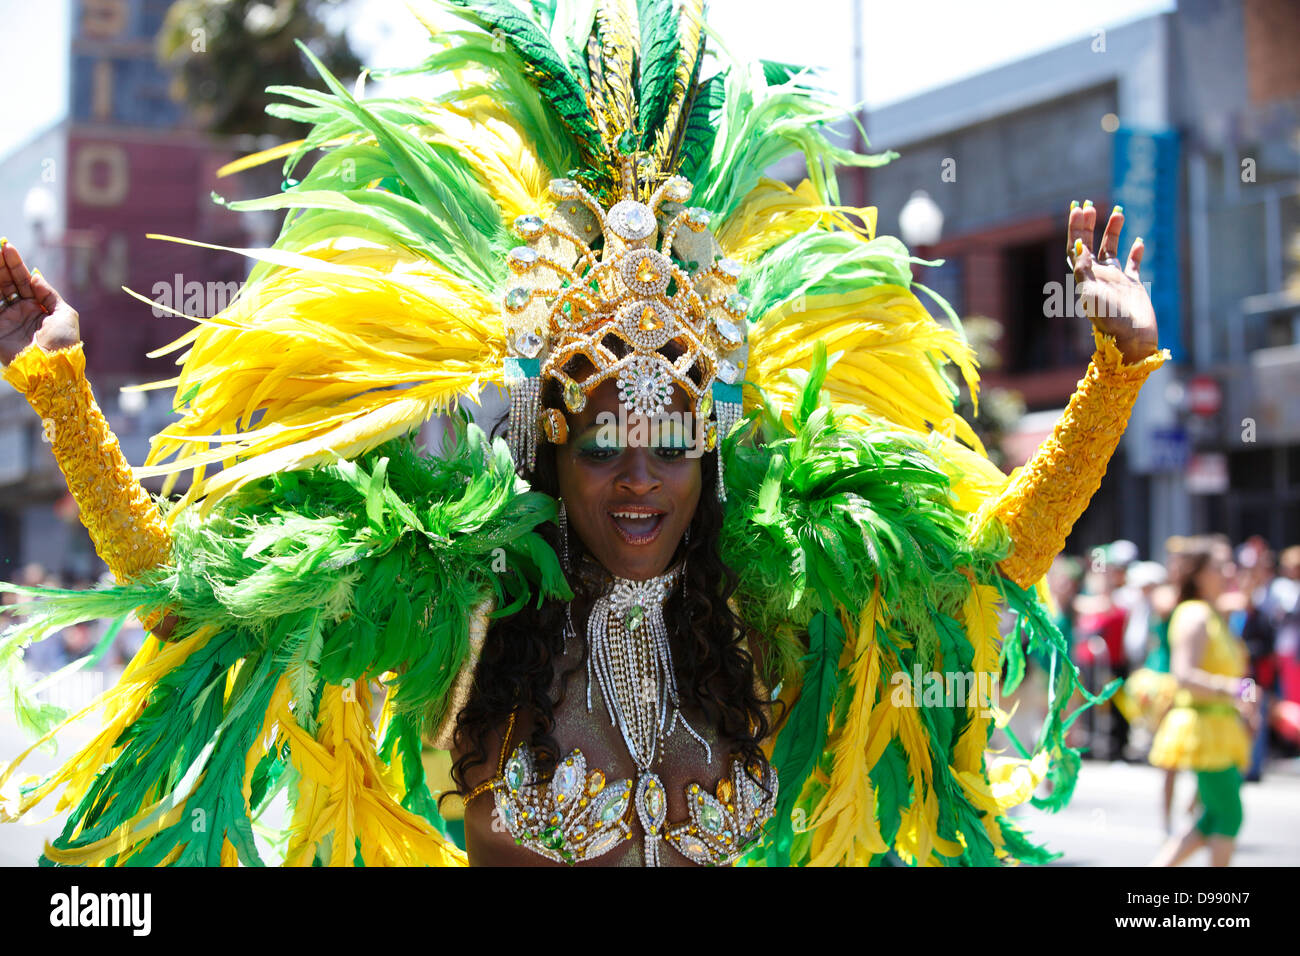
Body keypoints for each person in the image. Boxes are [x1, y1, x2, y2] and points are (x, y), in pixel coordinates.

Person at [0, 1, 1166, 867]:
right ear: (549, 448)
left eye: (669, 444)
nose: (640, 479)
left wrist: (1112, 379)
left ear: (712, 457)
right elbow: (185, 596)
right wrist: (62, 390)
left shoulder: (763, 611)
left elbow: (987, 563)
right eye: (604, 444)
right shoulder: (458, 608)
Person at [1149, 539, 1256, 866]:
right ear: (1198, 573)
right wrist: (1233, 689)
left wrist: (1242, 700)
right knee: (1229, 814)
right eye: (1220, 565)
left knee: (1213, 816)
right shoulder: (1194, 614)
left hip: (1219, 726)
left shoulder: (1213, 612)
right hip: (1203, 728)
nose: (1229, 571)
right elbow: (1184, 675)